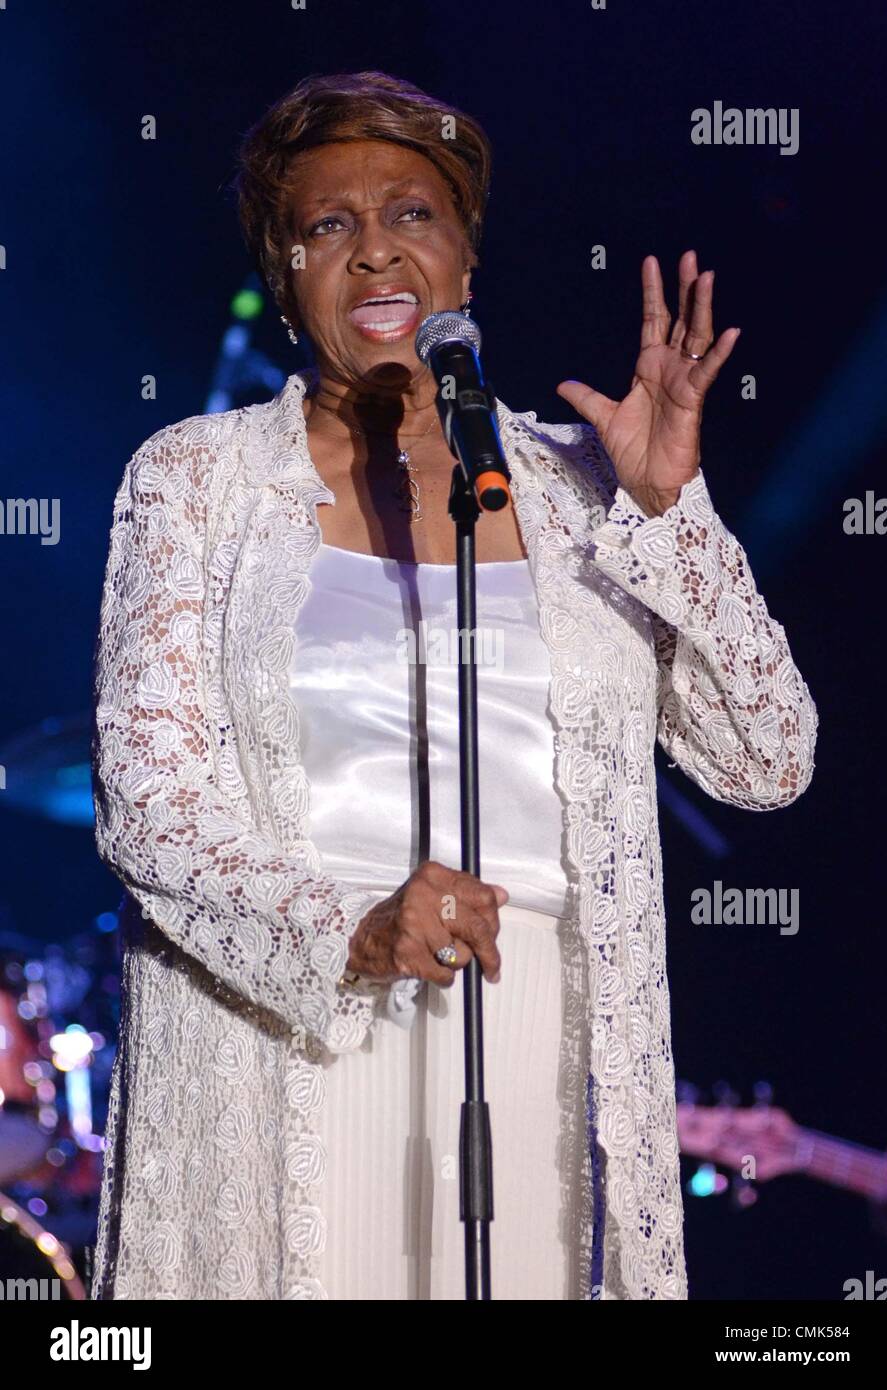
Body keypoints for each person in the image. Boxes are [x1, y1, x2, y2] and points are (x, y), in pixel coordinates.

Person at [89, 70, 817, 1300]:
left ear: (466, 260)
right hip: (292, 1036)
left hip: (539, 1045)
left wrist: (669, 513)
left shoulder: (589, 486)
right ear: (288, 276)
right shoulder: (195, 480)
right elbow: (150, 810)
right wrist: (357, 928)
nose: (375, 249)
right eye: (328, 225)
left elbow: (769, 759)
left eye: (411, 214)